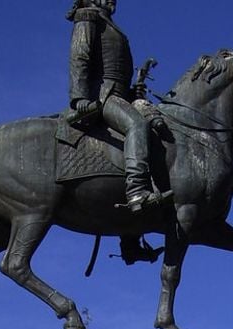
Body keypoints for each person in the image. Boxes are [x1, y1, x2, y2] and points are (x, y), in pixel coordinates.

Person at [67, 0, 164, 213]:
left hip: (120, 95)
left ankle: (131, 242)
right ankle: (137, 189)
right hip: (103, 96)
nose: (112, 0)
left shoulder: (110, 24)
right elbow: (79, 57)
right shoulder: (87, 16)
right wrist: (80, 97)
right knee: (137, 125)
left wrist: (133, 93)